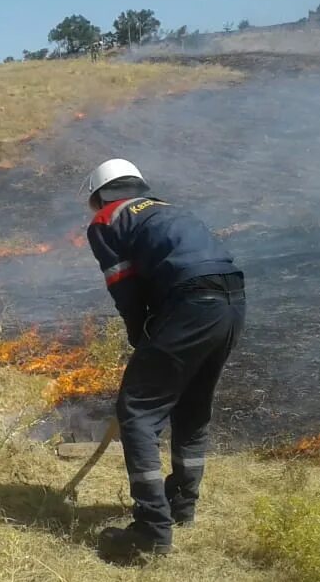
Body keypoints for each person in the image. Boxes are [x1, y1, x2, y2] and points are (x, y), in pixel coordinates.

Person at [83, 158, 246, 559]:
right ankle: (181, 507)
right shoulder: (169, 209)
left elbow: (124, 288)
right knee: (192, 406)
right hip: (232, 301)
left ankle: (151, 531)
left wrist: (141, 334)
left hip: (191, 302)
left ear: (99, 195)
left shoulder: (107, 219)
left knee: (137, 411)